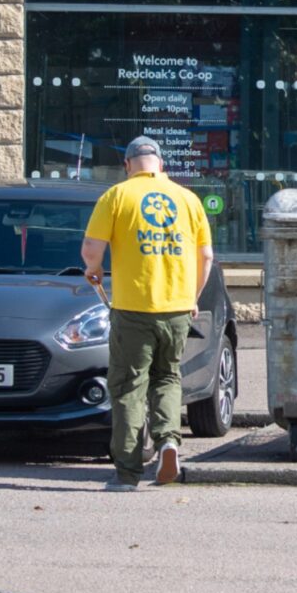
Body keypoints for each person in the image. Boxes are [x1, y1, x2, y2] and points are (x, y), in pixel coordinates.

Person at [80, 136, 214, 489]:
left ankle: (127, 473)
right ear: (161, 164)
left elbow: (92, 248)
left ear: (127, 165)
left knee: (128, 387)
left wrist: (94, 269)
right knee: (167, 377)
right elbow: (206, 257)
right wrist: (193, 296)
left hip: (133, 308)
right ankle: (168, 440)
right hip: (177, 308)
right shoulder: (188, 199)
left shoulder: (117, 196)